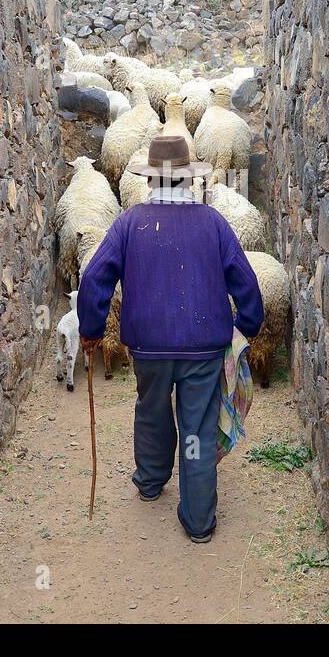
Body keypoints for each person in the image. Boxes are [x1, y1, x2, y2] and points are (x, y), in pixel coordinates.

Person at [76, 136, 264, 542]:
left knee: (152, 408)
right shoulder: (213, 223)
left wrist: (91, 330)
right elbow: (246, 281)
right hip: (205, 348)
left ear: (150, 180)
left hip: (147, 345)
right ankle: (199, 522)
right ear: (188, 180)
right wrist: (245, 327)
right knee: (196, 426)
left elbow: (94, 278)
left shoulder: (129, 223)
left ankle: (150, 480)